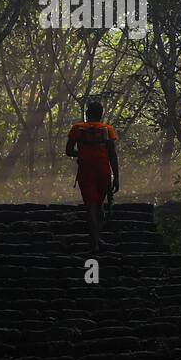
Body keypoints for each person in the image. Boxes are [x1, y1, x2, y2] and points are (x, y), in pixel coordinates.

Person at [66, 101, 119, 253]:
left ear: (88, 114)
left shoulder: (77, 128)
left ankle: (95, 242)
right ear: (101, 114)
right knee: (99, 205)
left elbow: (69, 151)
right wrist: (117, 176)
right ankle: (98, 239)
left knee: (91, 207)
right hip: (103, 171)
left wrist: (82, 153)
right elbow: (113, 155)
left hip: (86, 171)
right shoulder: (107, 129)